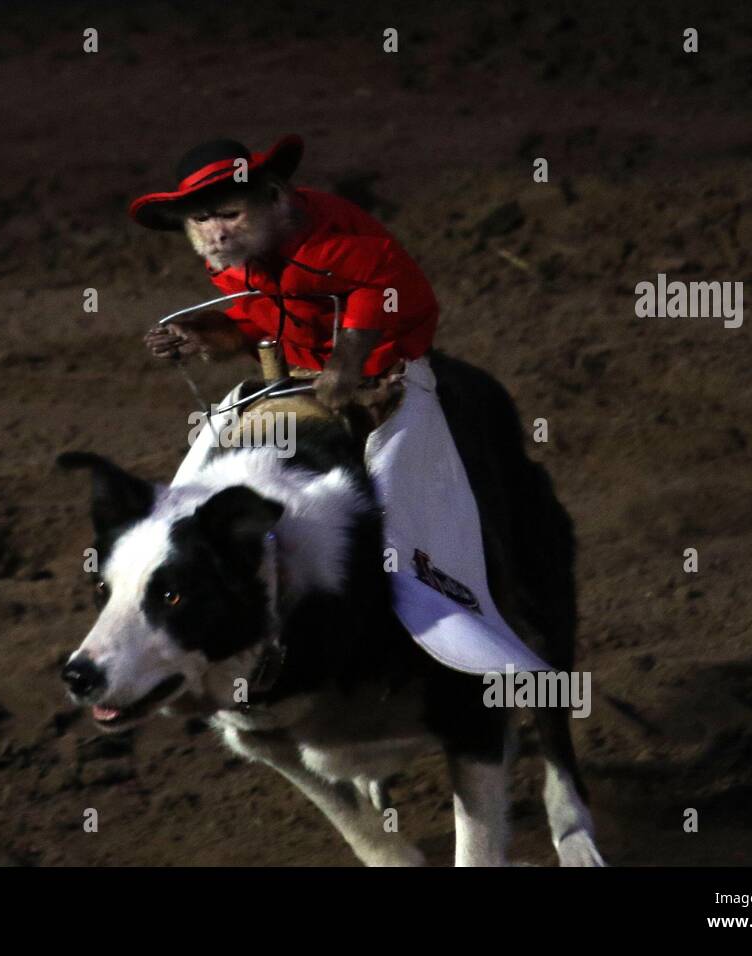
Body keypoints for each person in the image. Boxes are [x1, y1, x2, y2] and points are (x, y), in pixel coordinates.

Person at [130, 134, 549, 675]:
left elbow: (377, 284)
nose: (216, 232)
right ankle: (166, 554)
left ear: (276, 196)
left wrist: (347, 365)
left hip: (385, 365)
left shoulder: (323, 238)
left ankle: (449, 602)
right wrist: (197, 335)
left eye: (230, 214)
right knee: (201, 457)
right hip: (293, 373)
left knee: (399, 491)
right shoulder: (235, 257)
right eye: (202, 222)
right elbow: (251, 320)